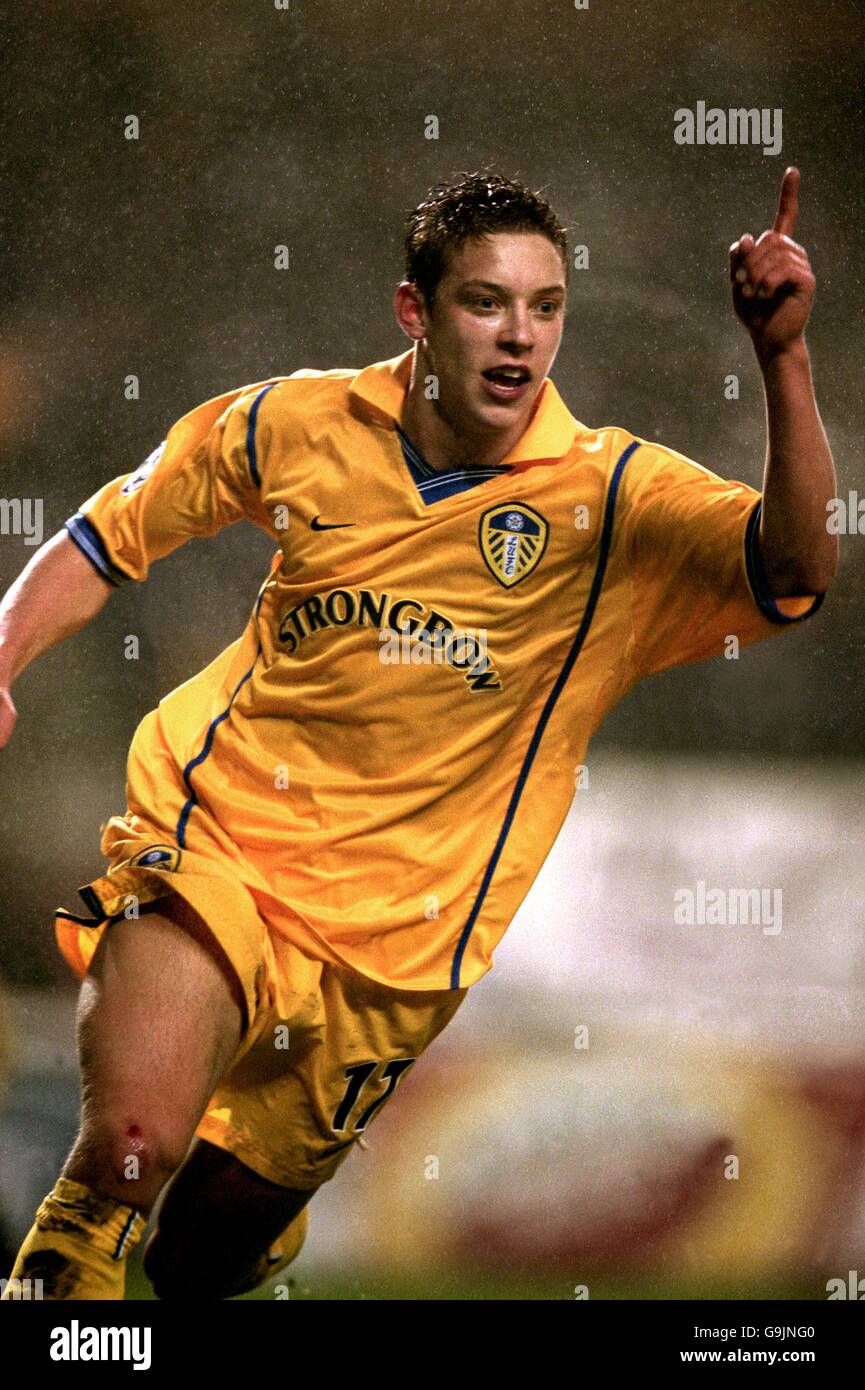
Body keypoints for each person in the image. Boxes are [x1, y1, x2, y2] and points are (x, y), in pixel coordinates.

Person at [0, 168, 837, 1300]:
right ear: (416, 312)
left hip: (396, 953)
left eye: (544, 308)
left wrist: (782, 357)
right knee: (128, 1151)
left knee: (201, 1261)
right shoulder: (295, 420)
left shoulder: (616, 500)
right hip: (220, 848)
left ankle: (236, 1235)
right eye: (485, 301)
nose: (518, 335)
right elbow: (110, 533)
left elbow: (795, 573)